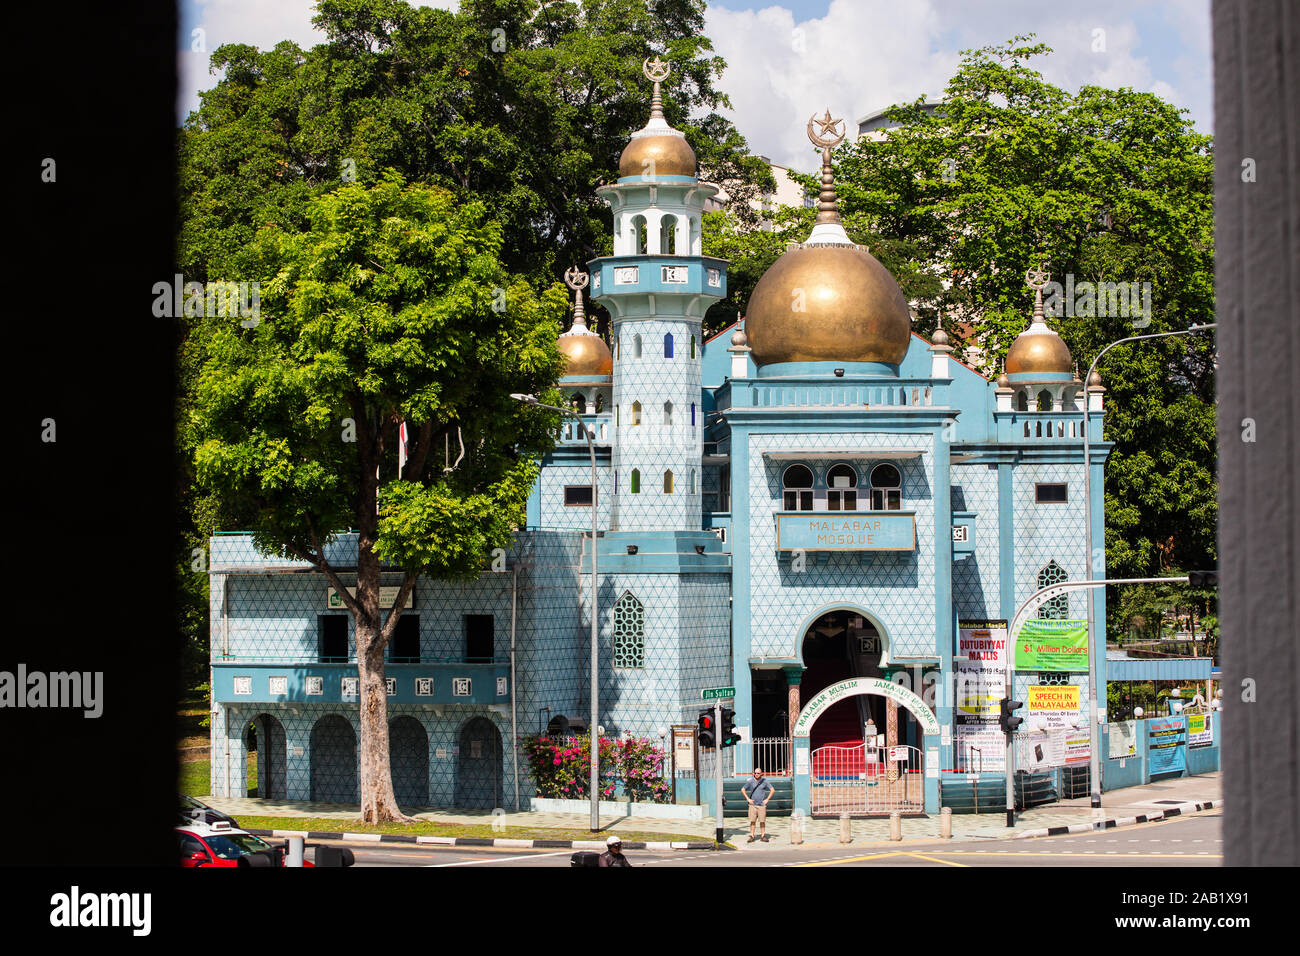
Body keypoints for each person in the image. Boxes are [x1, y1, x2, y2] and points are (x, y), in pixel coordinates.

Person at [742, 767, 774, 842]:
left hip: (761, 805)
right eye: (755, 773)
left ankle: (763, 836)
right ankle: (752, 835)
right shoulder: (750, 781)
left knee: (762, 821)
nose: (756, 774)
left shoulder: (765, 781)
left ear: (761, 773)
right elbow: (743, 789)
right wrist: (748, 799)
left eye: (758, 773)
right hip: (753, 805)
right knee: (752, 821)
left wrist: (767, 799)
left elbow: (772, 790)